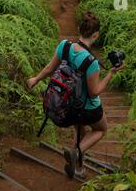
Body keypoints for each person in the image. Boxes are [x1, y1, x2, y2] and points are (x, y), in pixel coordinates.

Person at [26, 10, 117, 178]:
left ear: (79, 29)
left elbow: (49, 68)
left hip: (66, 105)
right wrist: (111, 73)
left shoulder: (64, 46)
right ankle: (77, 152)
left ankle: (79, 168)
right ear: (96, 35)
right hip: (86, 108)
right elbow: (94, 92)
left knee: (80, 131)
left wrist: (36, 79)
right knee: (101, 130)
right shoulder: (91, 63)